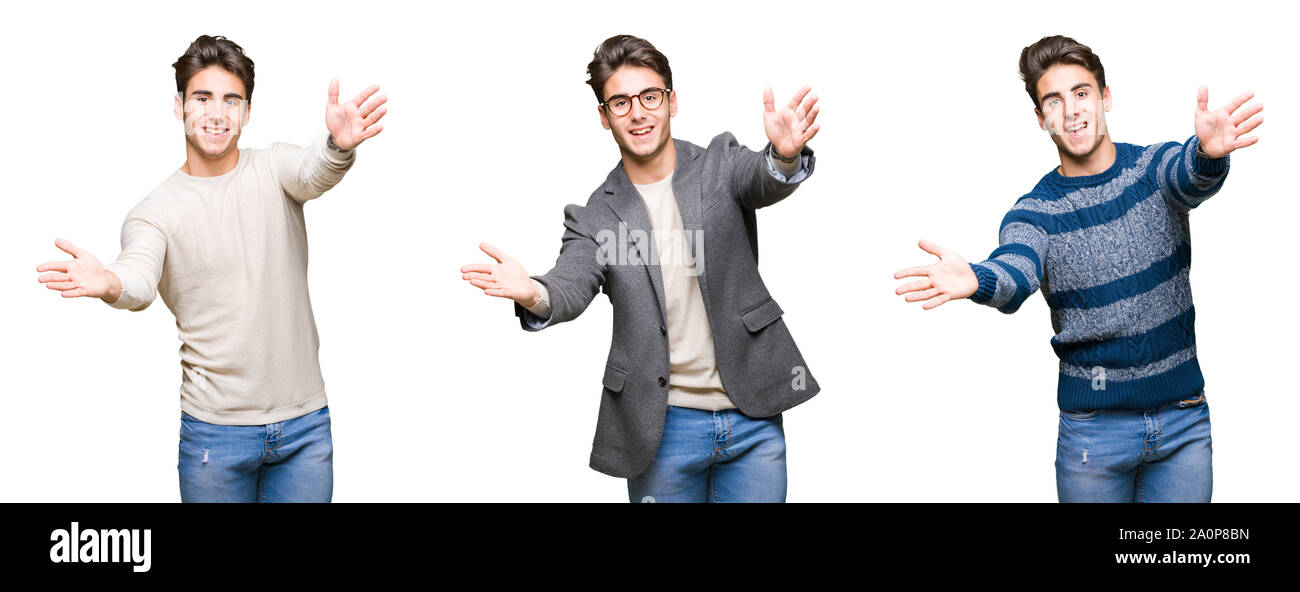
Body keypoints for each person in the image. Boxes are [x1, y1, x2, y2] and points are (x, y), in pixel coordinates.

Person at [893, 35, 1262, 502]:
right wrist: (979, 279)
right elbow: (1015, 271)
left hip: (1183, 422)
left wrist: (1207, 154)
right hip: (1093, 437)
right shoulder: (1034, 213)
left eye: (1082, 93)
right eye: (1054, 100)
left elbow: (1187, 176)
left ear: (1106, 97)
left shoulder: (1152, 169)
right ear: (1041, 118)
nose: (1071, 111)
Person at [460, 34, 821, 502]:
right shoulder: (595, 214)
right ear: (604, 115)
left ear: (671, 101)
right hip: (662, 428)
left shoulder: (720, 163)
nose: (638, 111)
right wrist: (533, 291)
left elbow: (762, 179)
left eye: (650, 96)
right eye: (621, 101)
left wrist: (784, 155)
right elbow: (570, 283)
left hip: (752, 417)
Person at [35, 34, 387, 502]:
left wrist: (337, 147)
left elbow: (312, 171)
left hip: (305, 428)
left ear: (246, 111)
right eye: (202, 98)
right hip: (215, 437)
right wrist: (109, 282)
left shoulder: (274, 168)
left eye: (231, 100)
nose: (217, 113)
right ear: (179, 105)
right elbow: (139, 278)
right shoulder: (153, 212)